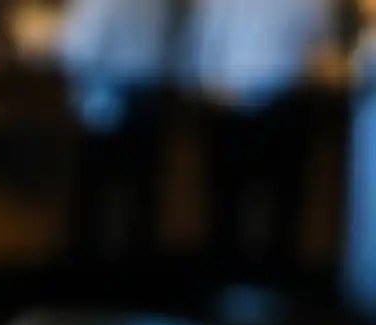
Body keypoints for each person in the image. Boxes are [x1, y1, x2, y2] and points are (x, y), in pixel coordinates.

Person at [182, 0, 339, 291]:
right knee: (273, 205)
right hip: (270, 103)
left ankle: (236, 286)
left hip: (251, 102)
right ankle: (259, 287)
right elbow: (322, 52)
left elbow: (202, 47)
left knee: (236, 203)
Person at [57, 0, 174, 275]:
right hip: (149, 96)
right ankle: (135, 282)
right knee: (141, 198)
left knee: (95, 200)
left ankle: (91, 282)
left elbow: (77, 49)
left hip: (108, 98)